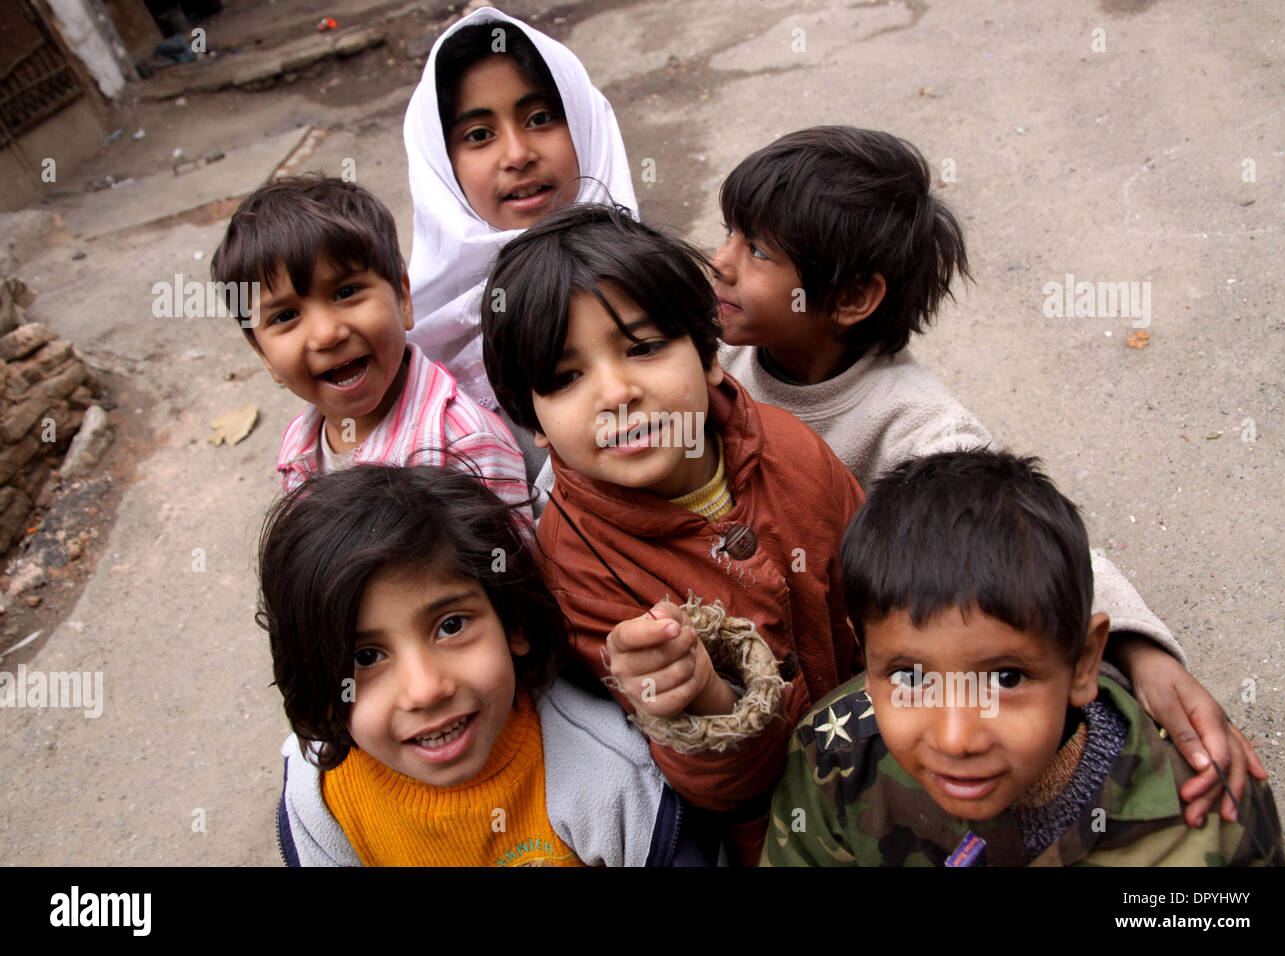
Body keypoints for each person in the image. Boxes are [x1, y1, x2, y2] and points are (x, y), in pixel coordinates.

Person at [710, 126, 1265, 824]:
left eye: (756, 251)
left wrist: (1142, 648)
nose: (719, 263)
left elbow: (1009, 526)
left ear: (852, 298)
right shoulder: (709, 357)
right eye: (729, 233)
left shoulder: (913, 423)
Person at [481, 202, 865, 865]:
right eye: (566, 377)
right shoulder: (579, 568)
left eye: (644, 347)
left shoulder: (792, 451)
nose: (616, 393)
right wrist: (703, 703)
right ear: (535, 424)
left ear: (710, 356)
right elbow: (718, 791)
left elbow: (884, 596)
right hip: (773, 835)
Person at [762, 450, 1285, 867]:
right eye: (909, 676)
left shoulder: (1209, 804)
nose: (957, 739)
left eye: (1006, 678)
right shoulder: (832, 761)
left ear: (1082, 664)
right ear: (866, 653)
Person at [263, 463, 720, 866]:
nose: (426, 689)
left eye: (451, 625)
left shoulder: (610, 778)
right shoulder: (323, 801)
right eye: (366, 657)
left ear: (513, 622)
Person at [210, 175, 527, 507]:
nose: (326, 335)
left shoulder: (464, 445)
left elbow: (508, 555)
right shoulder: (298, 449)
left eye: (346, 293)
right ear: (264, 356)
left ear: (403, 298)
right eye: (285, 316)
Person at [403, 5, 635, 443]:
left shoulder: (654, 284)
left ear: (583, 121)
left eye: (540, 118)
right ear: (440, 163)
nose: (516, 154)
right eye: (479, 134)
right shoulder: (417, 345)